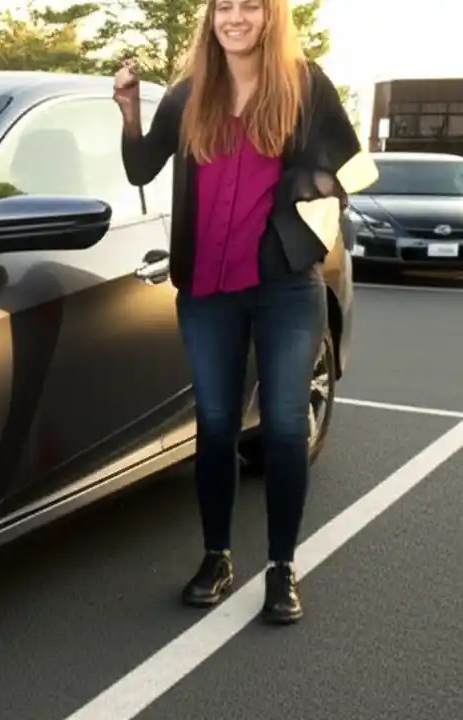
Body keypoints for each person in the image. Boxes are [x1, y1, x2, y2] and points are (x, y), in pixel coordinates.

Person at [111, 0, 362, 624]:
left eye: (251, 5)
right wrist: (129, 112)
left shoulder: (305, 85)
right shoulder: (189, 93)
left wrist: (313, 186)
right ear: (211, 18)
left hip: (286, 288)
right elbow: (141, 166)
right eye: (225, 5)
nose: (236, 17)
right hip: (208, 290)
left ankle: (281, 567)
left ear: (271, 16)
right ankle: (216, 557)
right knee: (217, 426)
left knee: (284, 428)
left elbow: (355, 167)